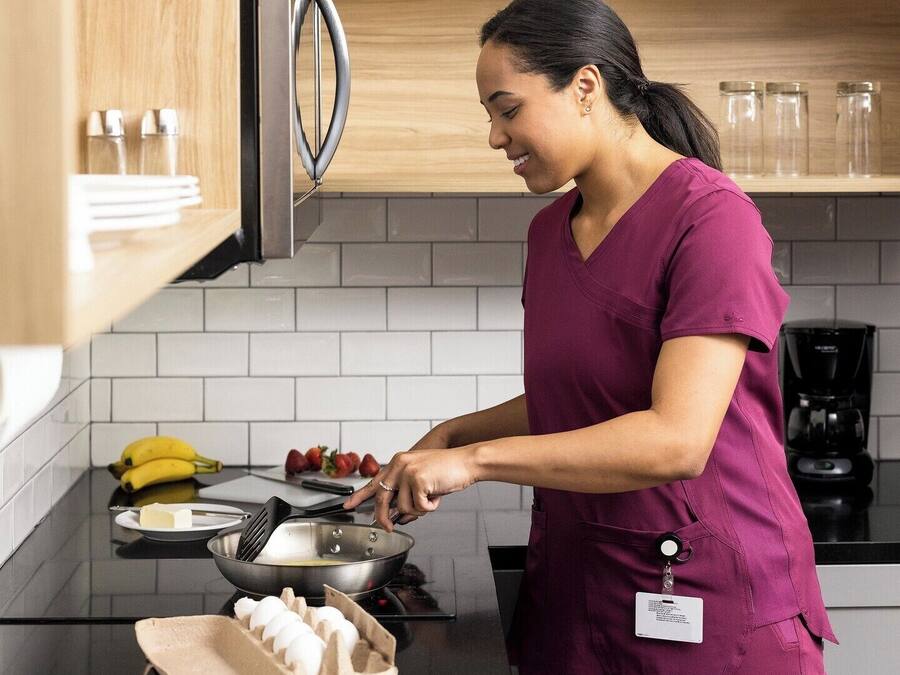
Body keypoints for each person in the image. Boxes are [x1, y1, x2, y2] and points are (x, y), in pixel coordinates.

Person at [344, 1, 837, 672]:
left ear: (584, 87)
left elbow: (677, 438)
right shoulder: (548, 232)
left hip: (707, 599)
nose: (495, 137)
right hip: (575, 593)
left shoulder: (713, 220)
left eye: (508, 110)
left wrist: (476, 461)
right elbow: (588, 394)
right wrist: (454, 434)